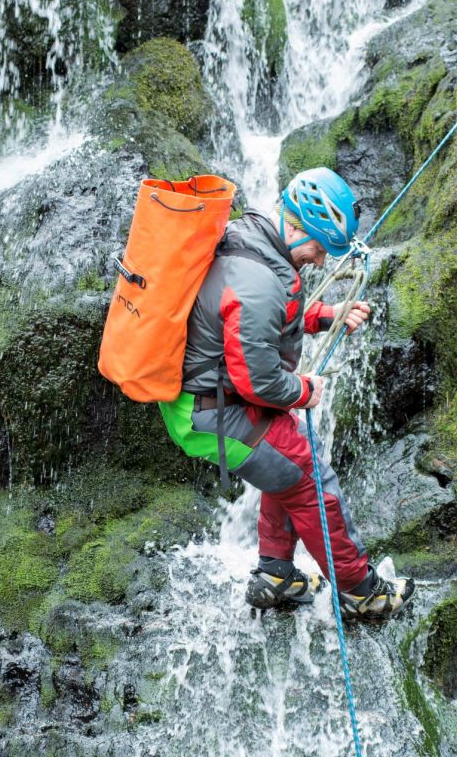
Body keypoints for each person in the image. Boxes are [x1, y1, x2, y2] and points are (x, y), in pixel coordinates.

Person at [158, 167, 414, 621]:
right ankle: (360, 591)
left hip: (206, 400)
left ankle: (276, 574)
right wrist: (304, 390)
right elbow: (256, 380)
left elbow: (260, 316)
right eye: (318, 249)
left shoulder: (251, 240)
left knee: (288, 462)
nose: (320, 261)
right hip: (212, 412)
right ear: (296, 228)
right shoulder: (257, 279)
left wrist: (326, 315)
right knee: (310, 479)